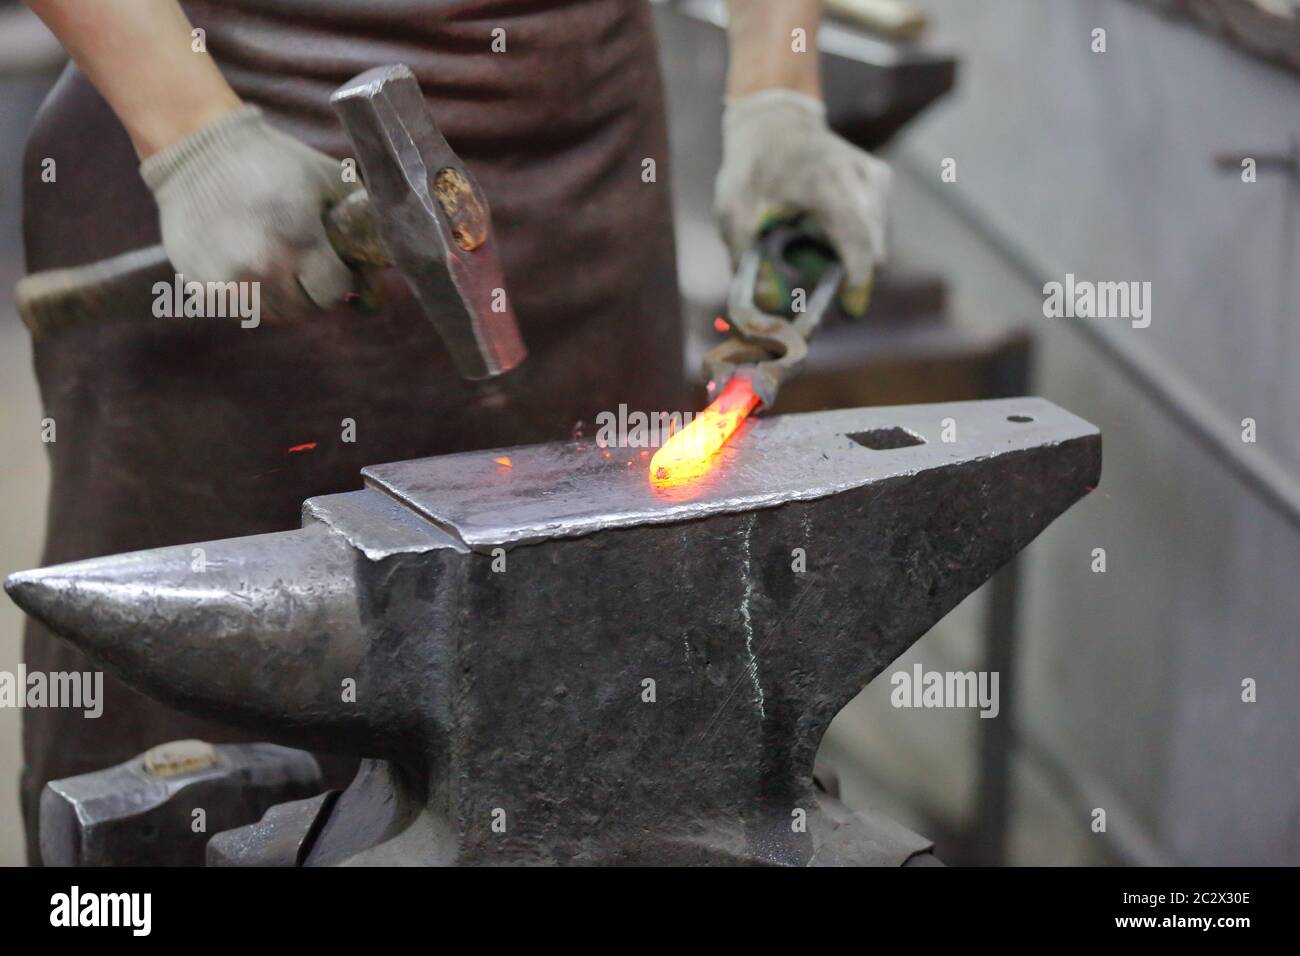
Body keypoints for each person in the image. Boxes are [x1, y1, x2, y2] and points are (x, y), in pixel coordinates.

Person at [16, 0, 891, 863]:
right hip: (223, 148)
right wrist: (190, 138)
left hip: (585, 170)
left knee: (587, 722)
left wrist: (780, 96)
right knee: (192, 761)